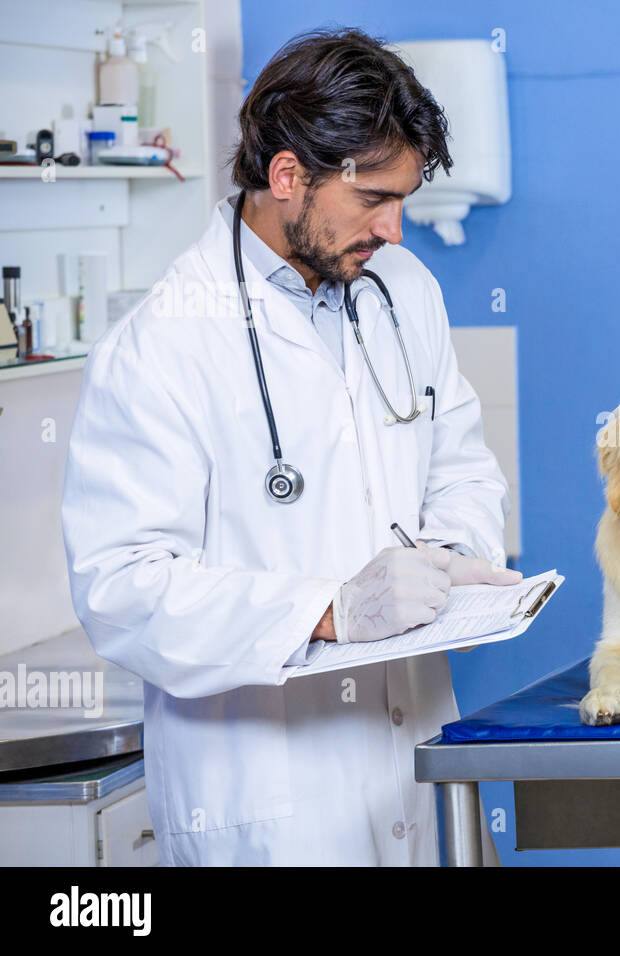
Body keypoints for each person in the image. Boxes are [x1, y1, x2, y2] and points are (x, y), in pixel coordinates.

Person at [60, 27, 519, 865]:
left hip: (422, 780)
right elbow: (121, 589)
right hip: (273, 811)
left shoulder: (403, 291)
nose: (396, 229)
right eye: (375, 199)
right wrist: (330, 610)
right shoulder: (163, 343)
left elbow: (461, 465)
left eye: (405, 198)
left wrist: (449, 555)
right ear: (286, 176)